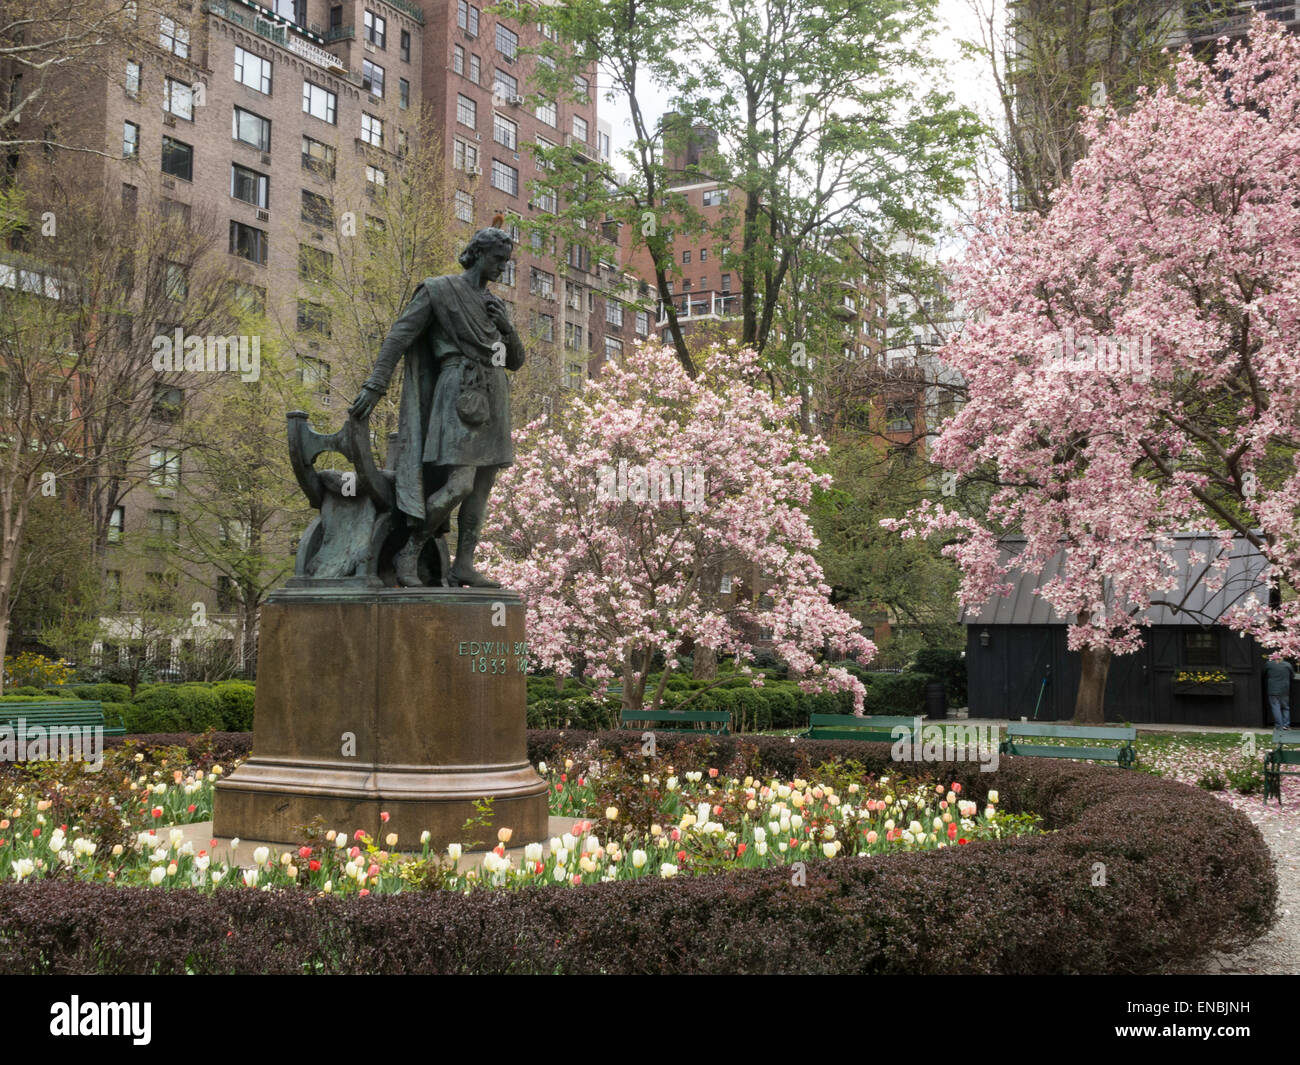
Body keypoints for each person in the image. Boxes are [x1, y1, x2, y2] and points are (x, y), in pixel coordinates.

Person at [348, 222, 524, 587]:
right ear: (477, 254)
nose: (501, 268)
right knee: (460, 484)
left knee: (481, 487)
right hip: (457, 392)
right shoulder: (439, 291)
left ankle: (465, 564)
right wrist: (376, 383)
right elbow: (399, 336)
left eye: (506, 262)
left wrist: (507, 328)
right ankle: (411, 548)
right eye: (497, 259)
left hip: (493, 394)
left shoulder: (495, 305)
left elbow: (515, 361)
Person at [1264, 656, 1294, 730]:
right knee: (1286, 708)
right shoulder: (1288, 665)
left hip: (1273, 689)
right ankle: (1286, 725)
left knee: (1276, 707)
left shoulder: (1268, 664)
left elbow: (1263, 674)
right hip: (1285, 689)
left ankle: (1279, 726)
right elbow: (1292, 676)